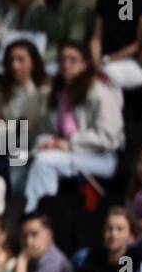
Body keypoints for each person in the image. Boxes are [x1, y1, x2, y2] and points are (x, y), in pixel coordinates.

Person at [24, 41, 124, 213]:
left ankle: (38, 214)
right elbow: (48, 131)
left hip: (100, 157)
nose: (66, 64)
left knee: (45, 162)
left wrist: (68, 144)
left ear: (85, 64)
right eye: (62, 60)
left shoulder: (99, 91)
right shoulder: (58, 93)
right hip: (68, 154)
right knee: (19, 159)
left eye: (73, 60)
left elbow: (109, 137)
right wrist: (49, 142)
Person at [0, 38, 50, 178]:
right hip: (1, 148)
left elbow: (33, 131)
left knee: (16, 165)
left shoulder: (44, 91)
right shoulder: (2, 90)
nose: (15, 65)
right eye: (11, 60)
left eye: (21, 60)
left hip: (28, 150)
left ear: (33, 61)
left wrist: (4, 127)